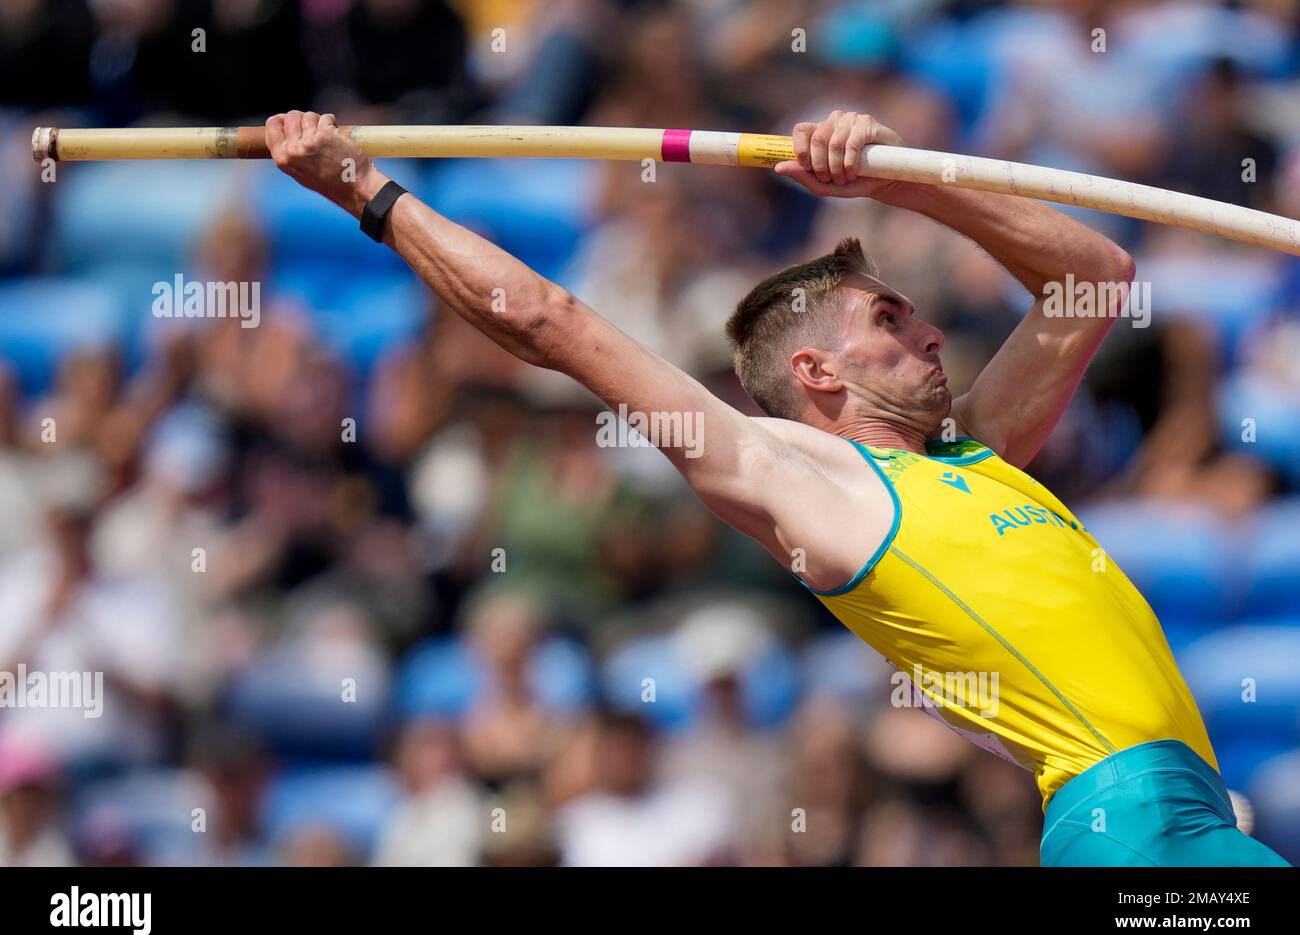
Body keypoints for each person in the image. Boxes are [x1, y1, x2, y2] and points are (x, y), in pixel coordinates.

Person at [263, 108, 1290, 866]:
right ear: (816, 374)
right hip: (1132, 825)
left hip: (1187, 808)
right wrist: (369, 193)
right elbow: (549, 320)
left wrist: (900, 180)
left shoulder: (975, 450)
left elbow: (1091, 280)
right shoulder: (801, 481)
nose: (931, 331)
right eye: (890, 320)